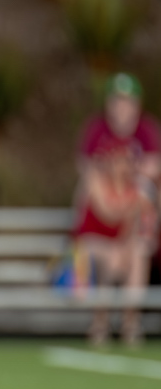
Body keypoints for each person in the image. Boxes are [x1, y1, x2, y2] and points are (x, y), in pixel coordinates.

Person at [73, 148, 154, 346]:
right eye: (118, 161)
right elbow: (107, 212)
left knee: (138, 253)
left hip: (118, 248)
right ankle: (100, 322)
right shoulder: (95, 183)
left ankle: (130, 322)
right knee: (111, 256)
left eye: (127, 161)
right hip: (85, 248)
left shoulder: (136, 189)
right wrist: (137, 204)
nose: (122, 167)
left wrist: (127, 246)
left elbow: (139, 227)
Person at [76, 73, 161, 182]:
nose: (121, 107)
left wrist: (127, 169)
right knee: (89, 184)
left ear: (137, 104)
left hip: (139, 183)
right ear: (108, 103)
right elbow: (83, 164)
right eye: (116, 101)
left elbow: (155, 165)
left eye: (127, 101)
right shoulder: (96, 127)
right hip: (104, 184)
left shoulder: (148, 128)